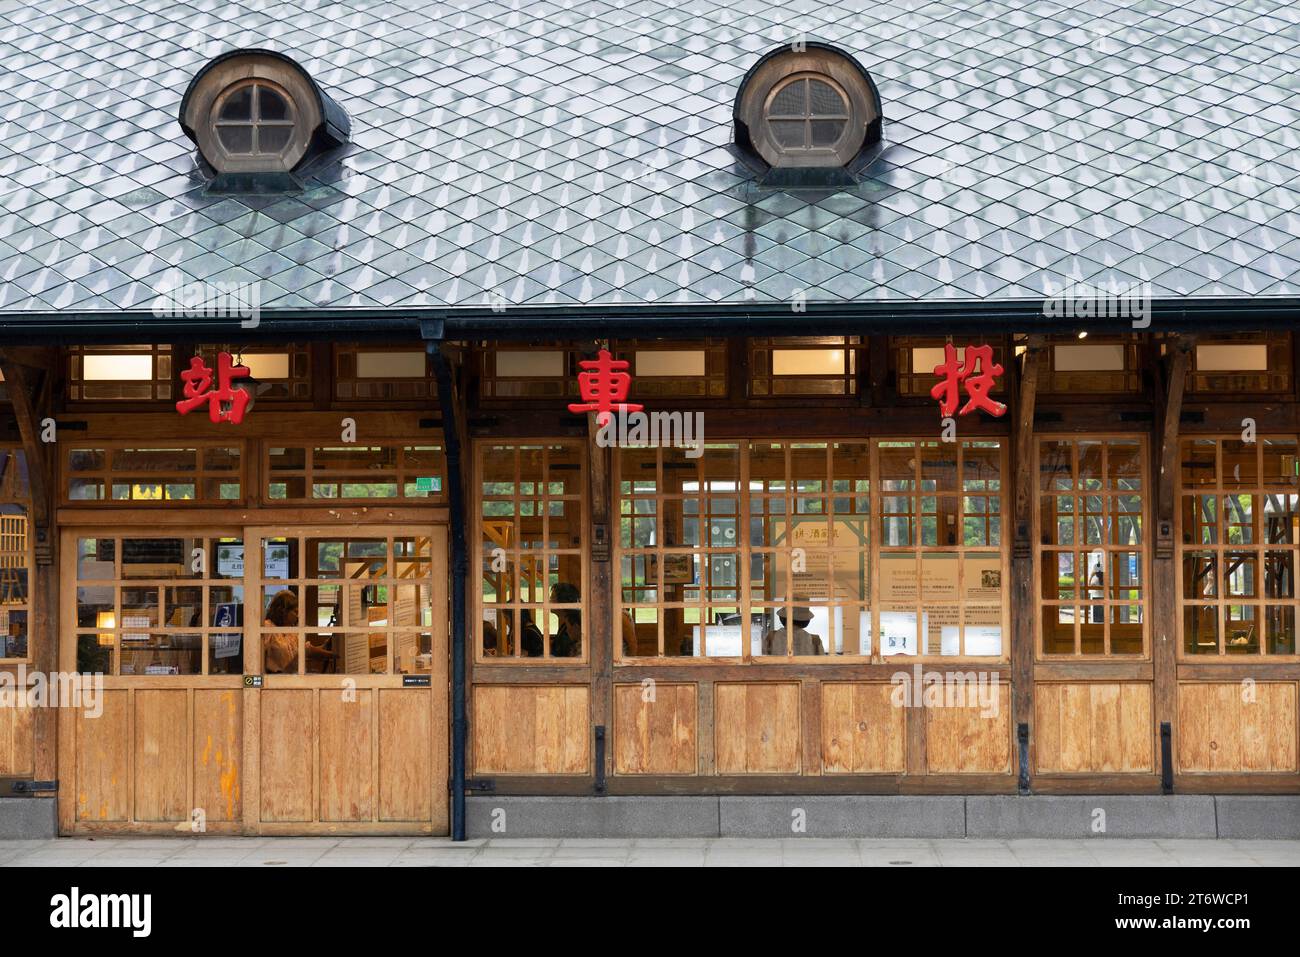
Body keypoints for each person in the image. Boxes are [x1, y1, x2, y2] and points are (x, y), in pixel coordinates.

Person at [262, 590, 336, 673]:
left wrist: (331, 652)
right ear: (283, 611)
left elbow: (306, 650)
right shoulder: (268, 627)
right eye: (295, 612)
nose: (298, 615)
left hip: (295, 679)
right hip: (276, 680)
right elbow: (259, 656)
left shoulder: (293, 630)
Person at [549, 583, 581, 657]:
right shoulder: (565, 625)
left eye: (552, 598)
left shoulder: (575, 625)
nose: (549, 601)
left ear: (562, 600)